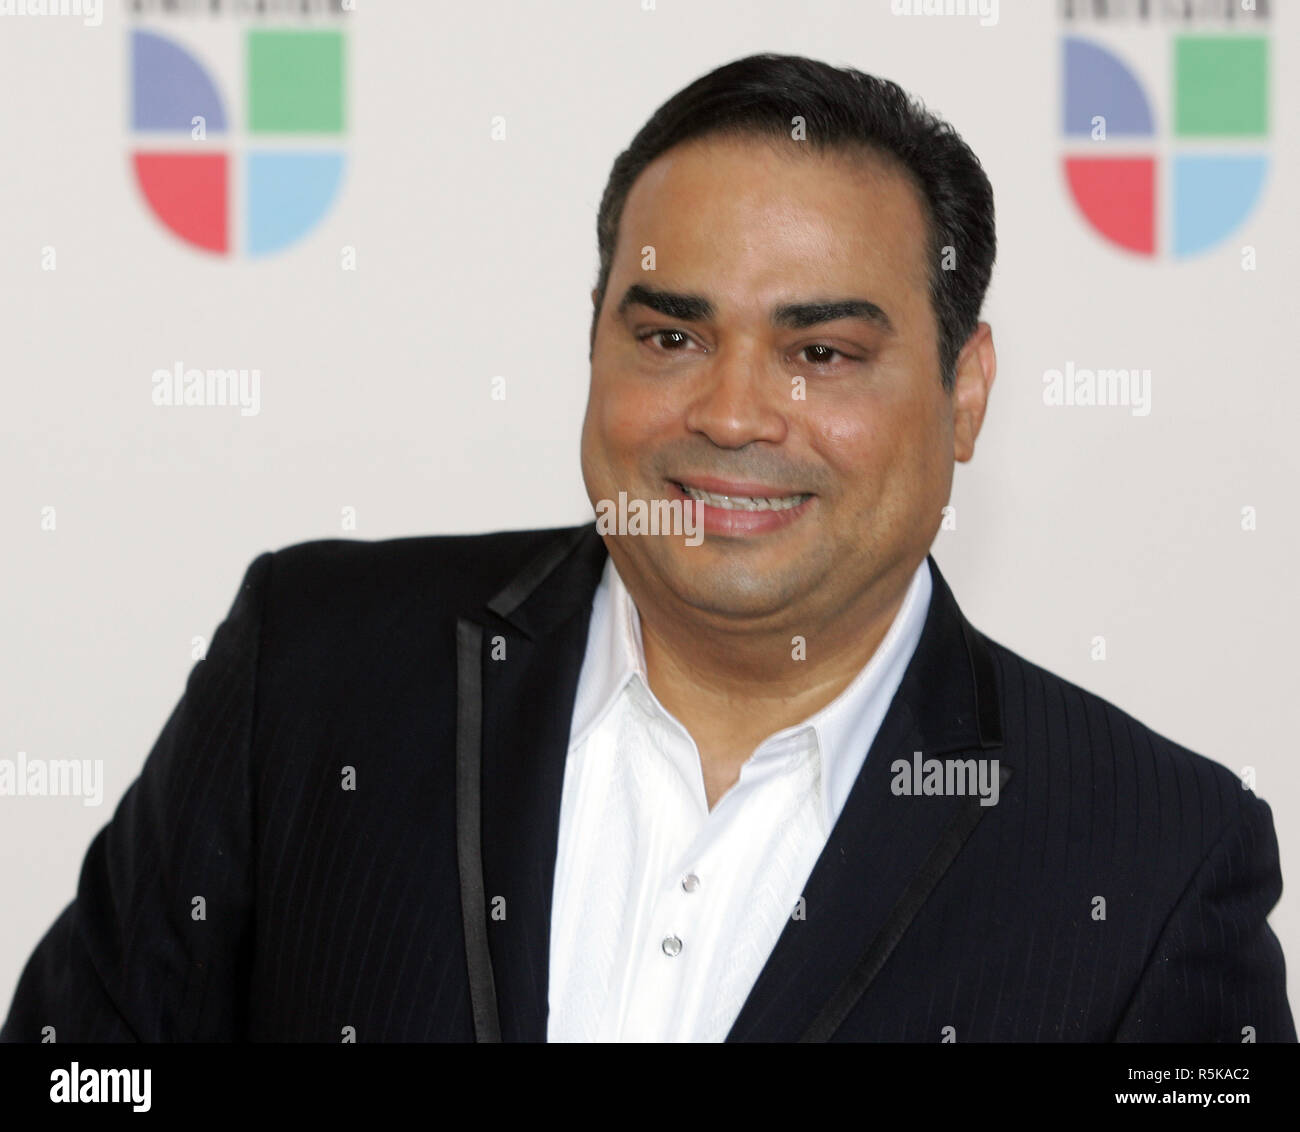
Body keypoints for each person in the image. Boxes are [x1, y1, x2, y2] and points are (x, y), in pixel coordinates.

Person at [2, 53, 1292, 1043]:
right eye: (671, 337)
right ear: (595, 341)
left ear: (964, 392)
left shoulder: (1154, 860)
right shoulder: (314, 667)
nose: (730, 413)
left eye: (822, 353)